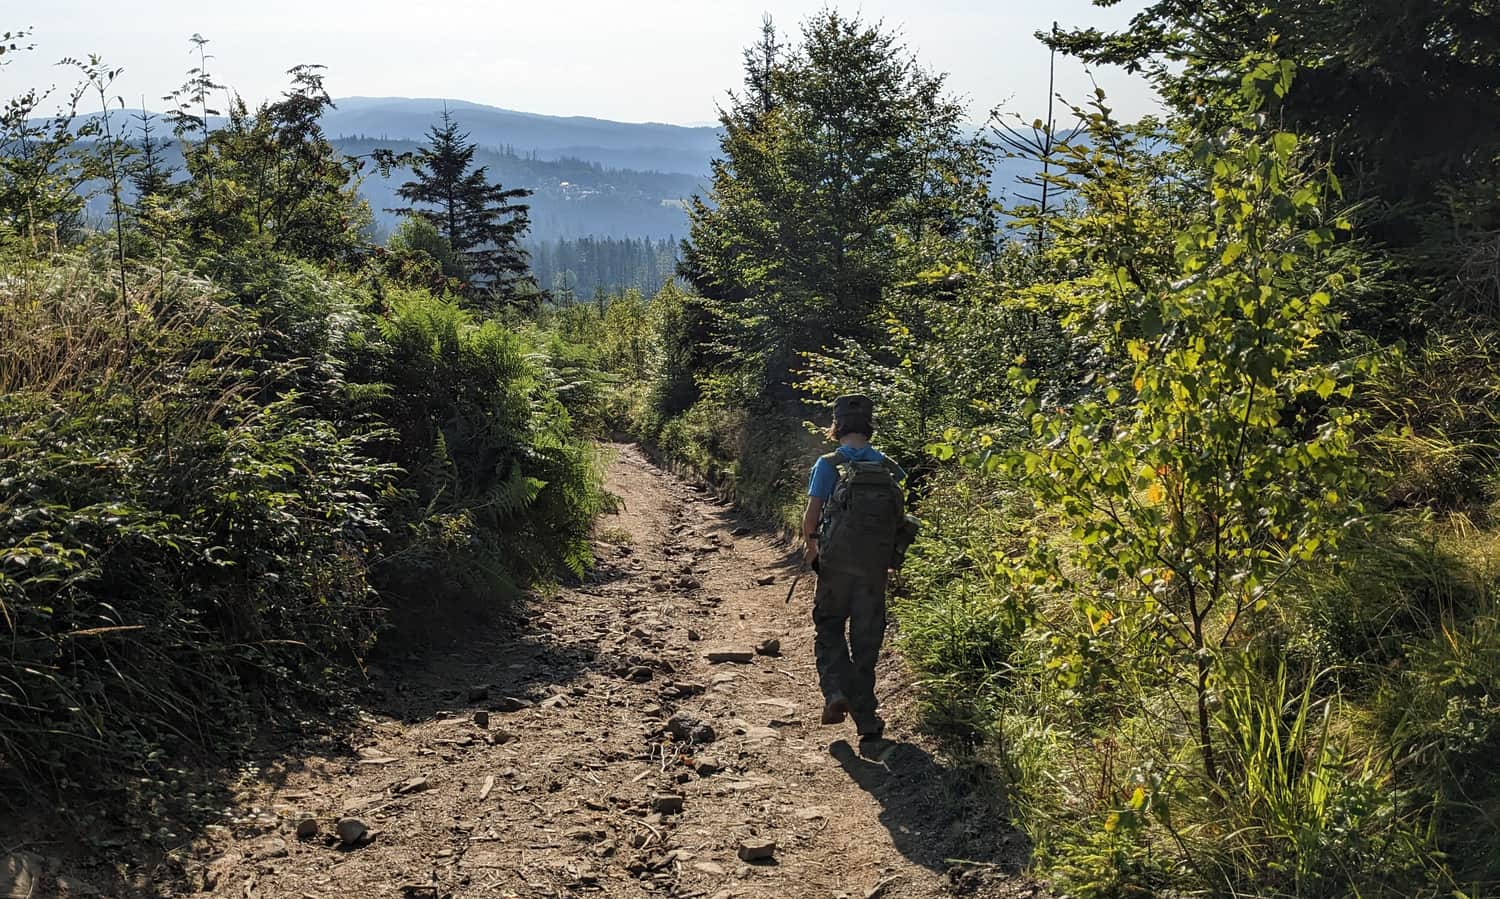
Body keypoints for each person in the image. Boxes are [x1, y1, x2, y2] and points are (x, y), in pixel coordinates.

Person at [800, 394, 909, 746]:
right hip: (874, 569)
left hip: (835, 565)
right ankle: (867, 721)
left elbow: (812, 514)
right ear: (869, 426)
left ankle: (834, 692)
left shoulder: (829, 463)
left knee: (829, 627)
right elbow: (900, 519)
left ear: (837, 425)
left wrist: (812, 547)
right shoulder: (889, 467)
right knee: (866, 643)